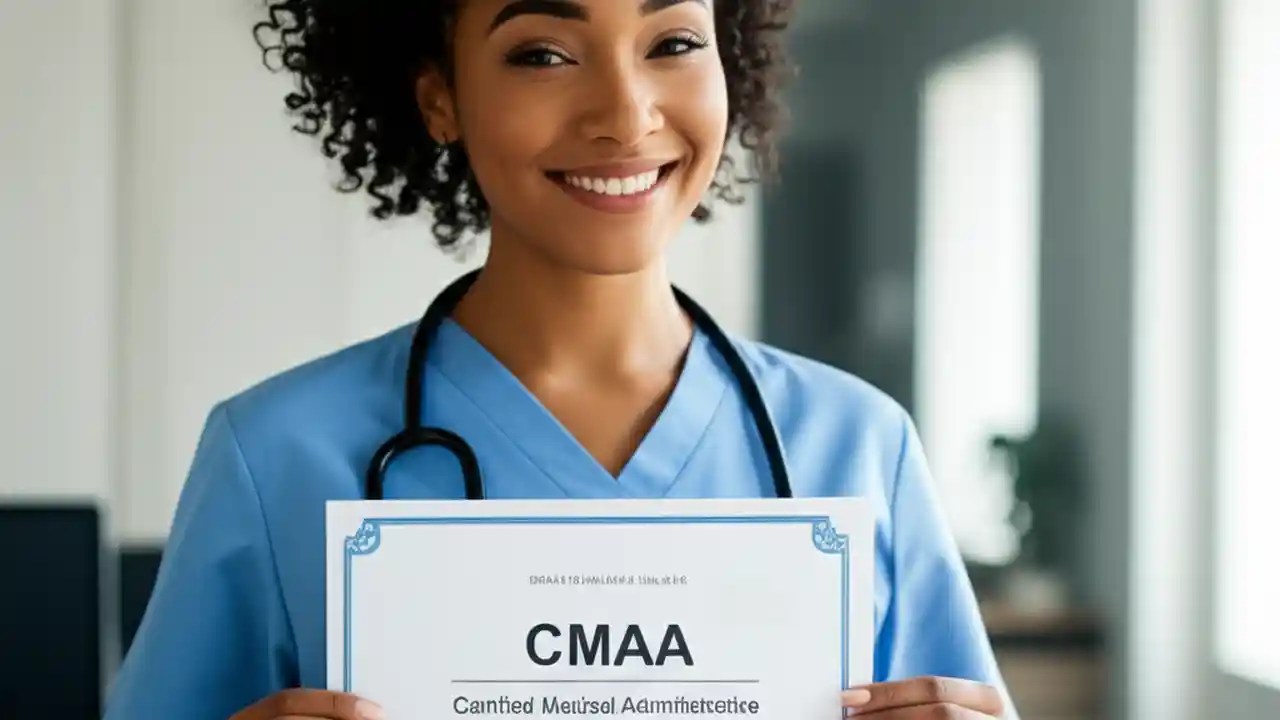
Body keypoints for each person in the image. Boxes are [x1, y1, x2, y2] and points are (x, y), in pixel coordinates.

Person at [103, 0, 1016, 718]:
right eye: (542, 54)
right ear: (440, 98)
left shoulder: (862, 447)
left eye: (673, 43)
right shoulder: (276, 455)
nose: (625, 114)